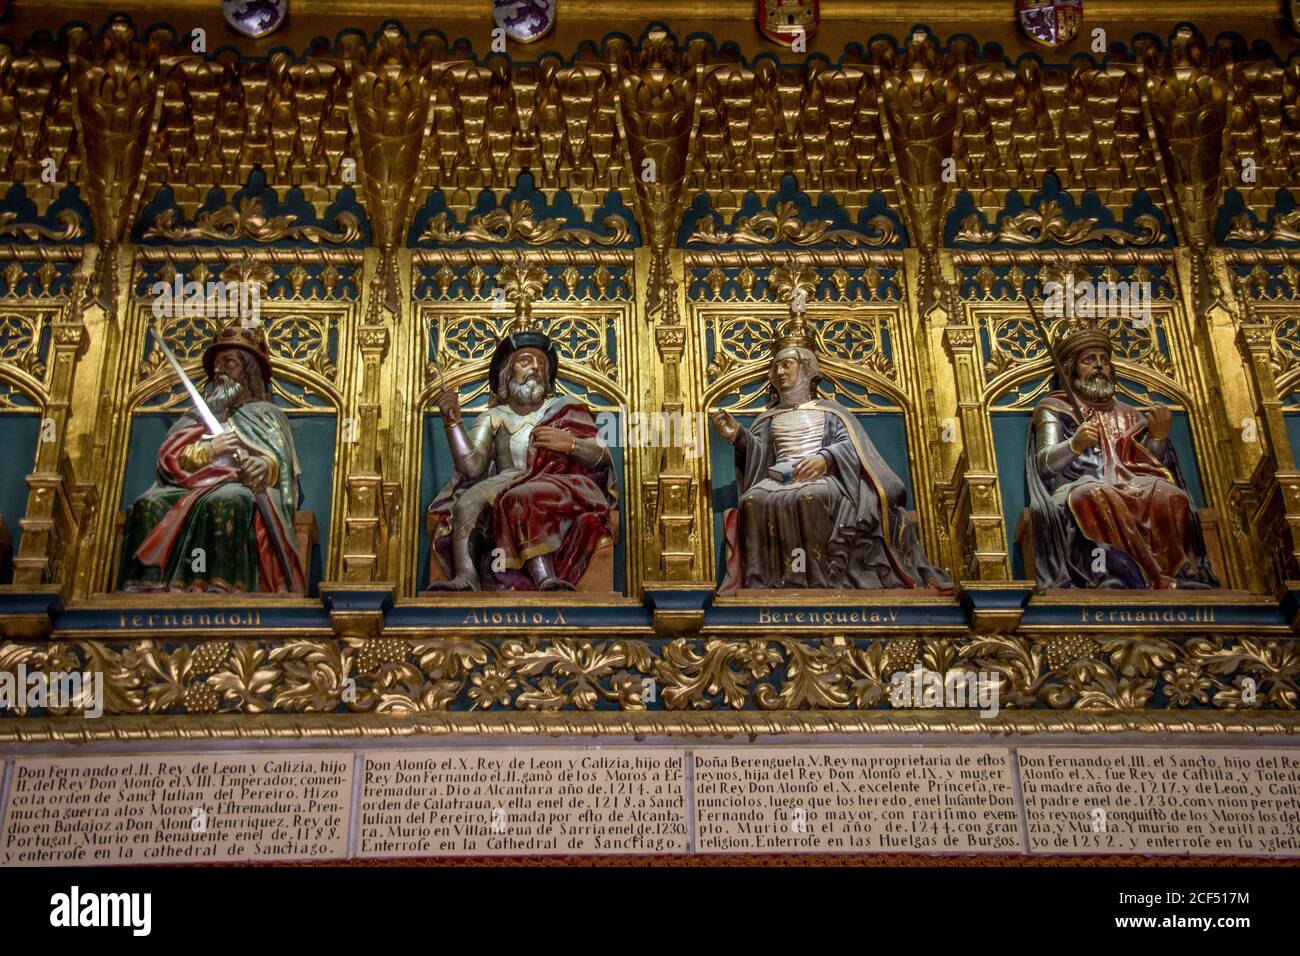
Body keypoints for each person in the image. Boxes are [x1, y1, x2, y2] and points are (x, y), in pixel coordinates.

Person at [710, 331, 951, 590]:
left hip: (822, 478)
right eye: (775, 366)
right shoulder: (770, 418)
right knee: (752, 500)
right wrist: (738, 437)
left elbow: (853, 447)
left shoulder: (832, 412)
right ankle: (764, 582)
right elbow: (762, 455)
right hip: (781, 478)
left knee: (809, 498)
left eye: (786, 364)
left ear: (806, 369)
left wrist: (826, 459)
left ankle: (814, 578)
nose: (779, 371)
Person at [1026, 324, 1217, 589]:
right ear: (1071, 369)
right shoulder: (1055, 408)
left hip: (1130, 483)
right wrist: (1074, 445)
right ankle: (1103, 573)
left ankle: (1176, 575)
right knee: (1095, 496)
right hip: (1077, 486)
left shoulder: (1128, 413)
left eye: (1104, 360)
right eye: (1089, 360)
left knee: (1168, 494)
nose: (1099, 366)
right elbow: (1044, 464)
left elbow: (1148, 463)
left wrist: (1158, 437)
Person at [428, 329, 616, 591]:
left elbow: (601, 457)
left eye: (541, 363)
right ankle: (466, 577)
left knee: (523, 495)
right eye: (525, 361)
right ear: (508, 371)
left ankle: (545, 578)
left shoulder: (565, 409)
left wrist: (570, 444)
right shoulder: (493, 417)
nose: (536, 368)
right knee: (467, 503)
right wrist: (453, 423)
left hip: (559, 483)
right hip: (505, 479)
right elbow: (472, 466)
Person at [120, 326, 305, 593]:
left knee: (227, 501)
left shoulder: (266, 414)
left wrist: (265, 466)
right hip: (189, 485)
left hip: (236, 484)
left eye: (228, 363)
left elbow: (281, 465)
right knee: (148, 504)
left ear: (247, 371)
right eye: (216, 364)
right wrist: (209, 450)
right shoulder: (197, 416)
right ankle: (147, 584)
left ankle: (219, 584)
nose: (218, 370)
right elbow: (170, 459)